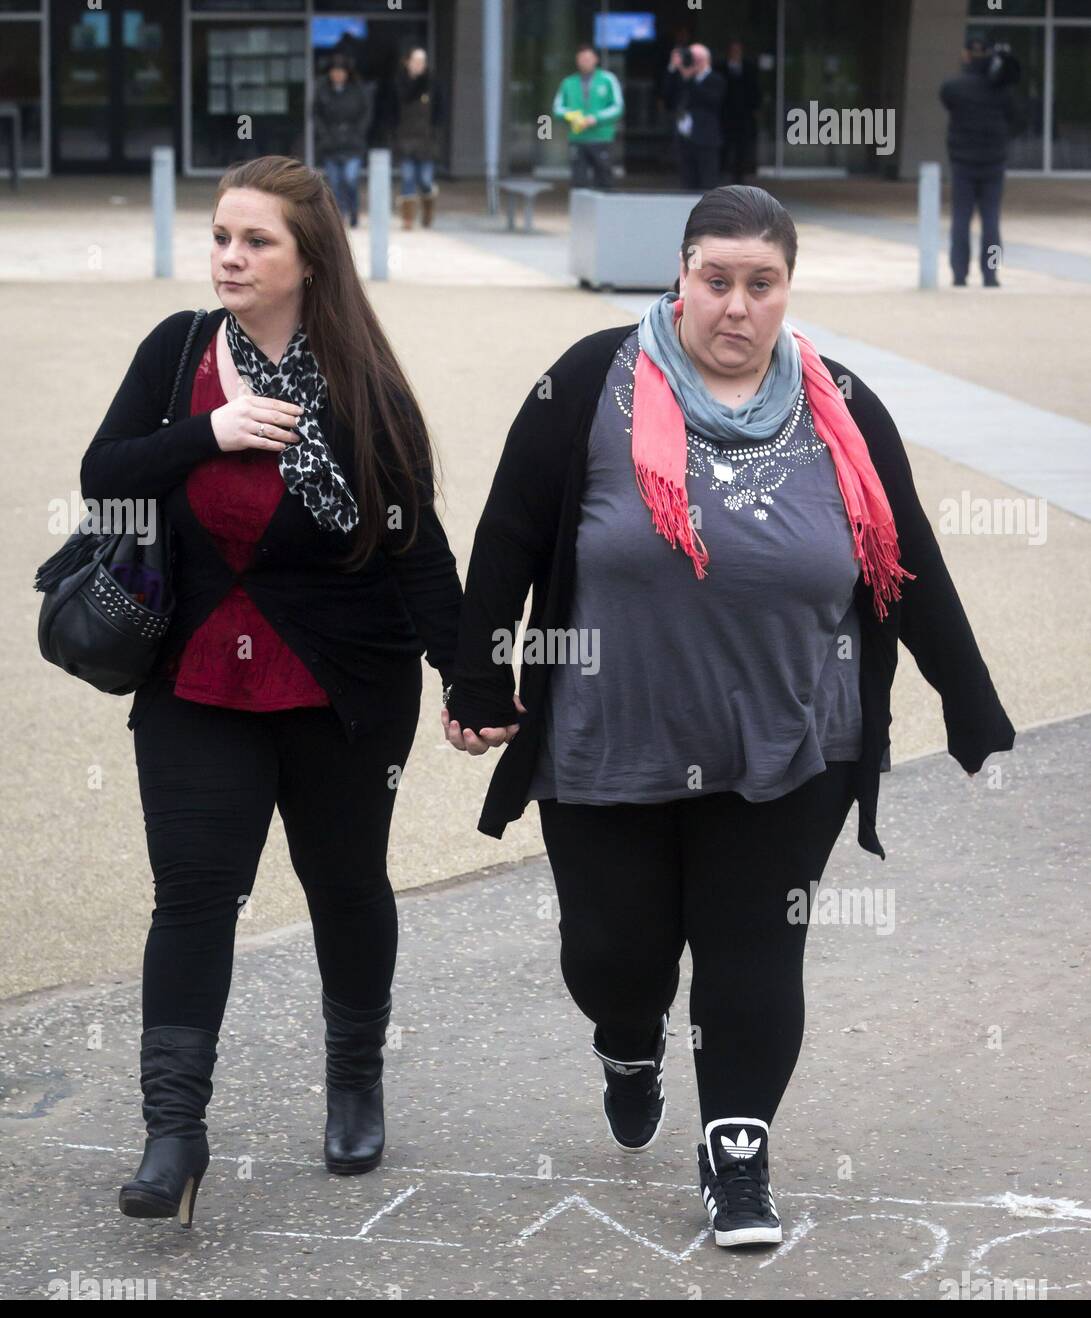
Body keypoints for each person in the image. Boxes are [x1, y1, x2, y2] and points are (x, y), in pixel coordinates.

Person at [441, 185, 1015, 1250]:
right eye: (716, 280)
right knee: (615, 951)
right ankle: (624, 1036)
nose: (736, 307)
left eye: (761, 284)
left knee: (754, 954)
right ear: (681, 276)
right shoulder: (584, 382)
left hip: (791, 743)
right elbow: (507, 537)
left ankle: (736, 1157)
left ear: (786, 289)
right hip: (607, 740)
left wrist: (968, 703)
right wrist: (478, 682)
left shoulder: (838, 402)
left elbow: (906, 559)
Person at [80, 155, 462, 1226]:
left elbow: (414, 548)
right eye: (220, 237)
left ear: (309, 259)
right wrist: (207, 433)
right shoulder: (179, 353)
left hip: (343, 684)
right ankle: (173, 1130)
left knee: (345, 885)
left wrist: (471, 677)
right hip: (195, 674)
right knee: (194, 894)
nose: (230, 258)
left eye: (256, 242)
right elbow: (103, 471)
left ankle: (353, 1078)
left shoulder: (363, 383)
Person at [939, 37, 1024, 288]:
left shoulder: (953, 87)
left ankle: (959, 274)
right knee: (991, 222)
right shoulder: (1002, 91)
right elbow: (1017, 118)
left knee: (960, 221)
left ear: (966, 56)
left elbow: (947, 99)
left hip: (963, 163)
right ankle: (991, 274)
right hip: (993, 163)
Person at [551, 44, 625, 191]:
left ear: (595, 59)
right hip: (577, 138)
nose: (585, 61)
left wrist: (595, 118)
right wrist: (573, 117)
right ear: (577, 61)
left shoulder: (608, 79)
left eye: (588, 58)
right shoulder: (568, 82)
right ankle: (581, 213)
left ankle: (605, 211)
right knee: (578, 180)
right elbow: (557, 109)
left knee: (604, 178)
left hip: (601, 138)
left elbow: (618, 107)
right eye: (581, 58)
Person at [313, 51, 373, 229]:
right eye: (334, 71)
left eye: (341, 71)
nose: (337, 75)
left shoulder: (357, 90)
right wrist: (324, 134)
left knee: (350, 179)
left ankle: (353, 211)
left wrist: (358, 132)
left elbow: (366, 113)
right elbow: (316, 114)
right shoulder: (323, 90)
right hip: (331, 144)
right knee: (335, 183)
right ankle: (340, 215)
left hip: (352, 144)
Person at [392, 47, 445, 231]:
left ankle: (428, 210)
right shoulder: (399, 84)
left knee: (425, 179)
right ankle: (407, 219)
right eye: (415, 61)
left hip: (426, 141)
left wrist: (436, 136)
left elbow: (439, 114)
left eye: (421, 61)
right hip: (405, 139)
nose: (418, 65)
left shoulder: (433, 85)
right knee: (407, 177)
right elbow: (393, 113)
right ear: (407, 62)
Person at [670, 44, 727, 191]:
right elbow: (669, 95)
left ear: (702, 60)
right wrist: (674, 68)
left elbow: (712, 102)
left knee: (707, 181)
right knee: (687, 182)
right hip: (686, 138)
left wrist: (691, 79)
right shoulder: (684, 80)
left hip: (706, 139)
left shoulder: (716, 79)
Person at [718, 39, 761, 184]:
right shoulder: (721, 68)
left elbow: (755, 90)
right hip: (726, 115)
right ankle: (723, 172)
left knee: (742, 147)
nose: (736, 53)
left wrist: (755, 109)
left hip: (744, 115)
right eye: (733, 50)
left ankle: (739, 175)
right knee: (725, 145)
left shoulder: (749, 67)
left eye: (738, 50)